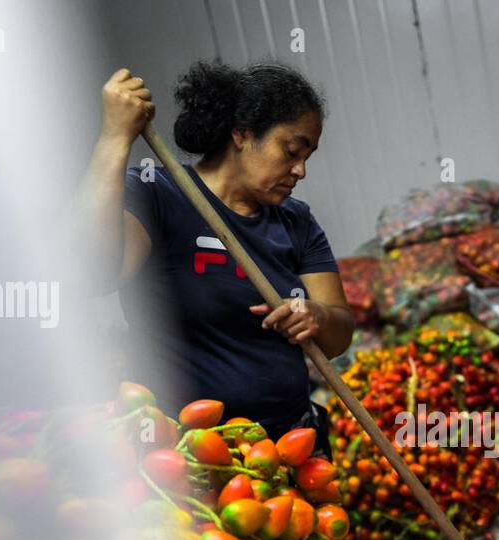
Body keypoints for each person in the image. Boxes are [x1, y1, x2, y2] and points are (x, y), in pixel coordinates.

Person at [79, 60, 354, 457]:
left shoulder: (296, 221)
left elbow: (339, 336)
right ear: (242, 134)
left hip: (291, 447)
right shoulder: (160, 194)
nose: (300, 170)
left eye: (307, 156)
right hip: (191, 454)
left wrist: (318, 317)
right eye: (291, 151)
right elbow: (95, 274)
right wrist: (114, 138)